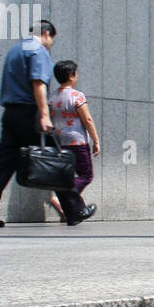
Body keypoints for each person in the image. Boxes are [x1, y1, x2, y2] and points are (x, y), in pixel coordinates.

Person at [0, 20, 92, 228]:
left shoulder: (15, 51)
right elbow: (38, 83)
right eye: (52, 40)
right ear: (46, 34)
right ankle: (74, 210)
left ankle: (73, 209)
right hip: (30, 114)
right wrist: (44, 114)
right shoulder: (38, 51)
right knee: (58, 163)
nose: (50, 44)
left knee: (2, 166)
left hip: (10, 114)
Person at [50, 60, 100, 207]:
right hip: (77, 142)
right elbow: (88, 120)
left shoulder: (51, 98)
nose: (77, 77)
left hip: (60, 142)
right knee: (86, 175)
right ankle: (64, 200)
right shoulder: (77, 96)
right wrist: (96, 140)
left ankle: (69, 209)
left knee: (67, 176)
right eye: (76, 74)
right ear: (71, 75)